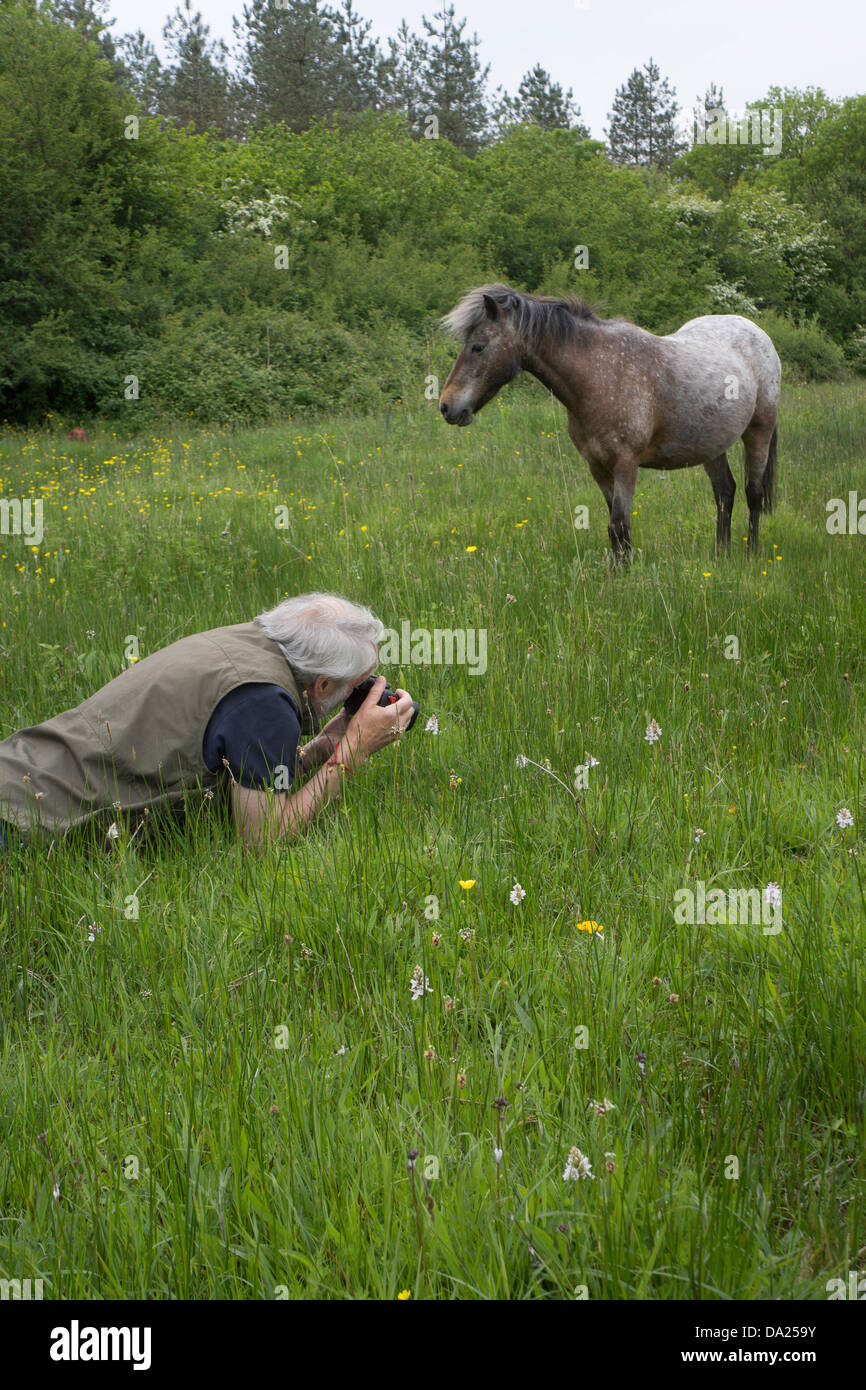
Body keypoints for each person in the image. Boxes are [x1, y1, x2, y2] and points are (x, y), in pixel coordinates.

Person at [0, 593, 415, 848]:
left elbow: (253, 779)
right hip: (24, 825)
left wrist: (325, 746)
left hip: (19, 766)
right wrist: (352, 751)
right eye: (358, 686)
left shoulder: (251, 643)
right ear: (323, 685)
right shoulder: (265, 704)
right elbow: (263, 839)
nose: (365, 693)